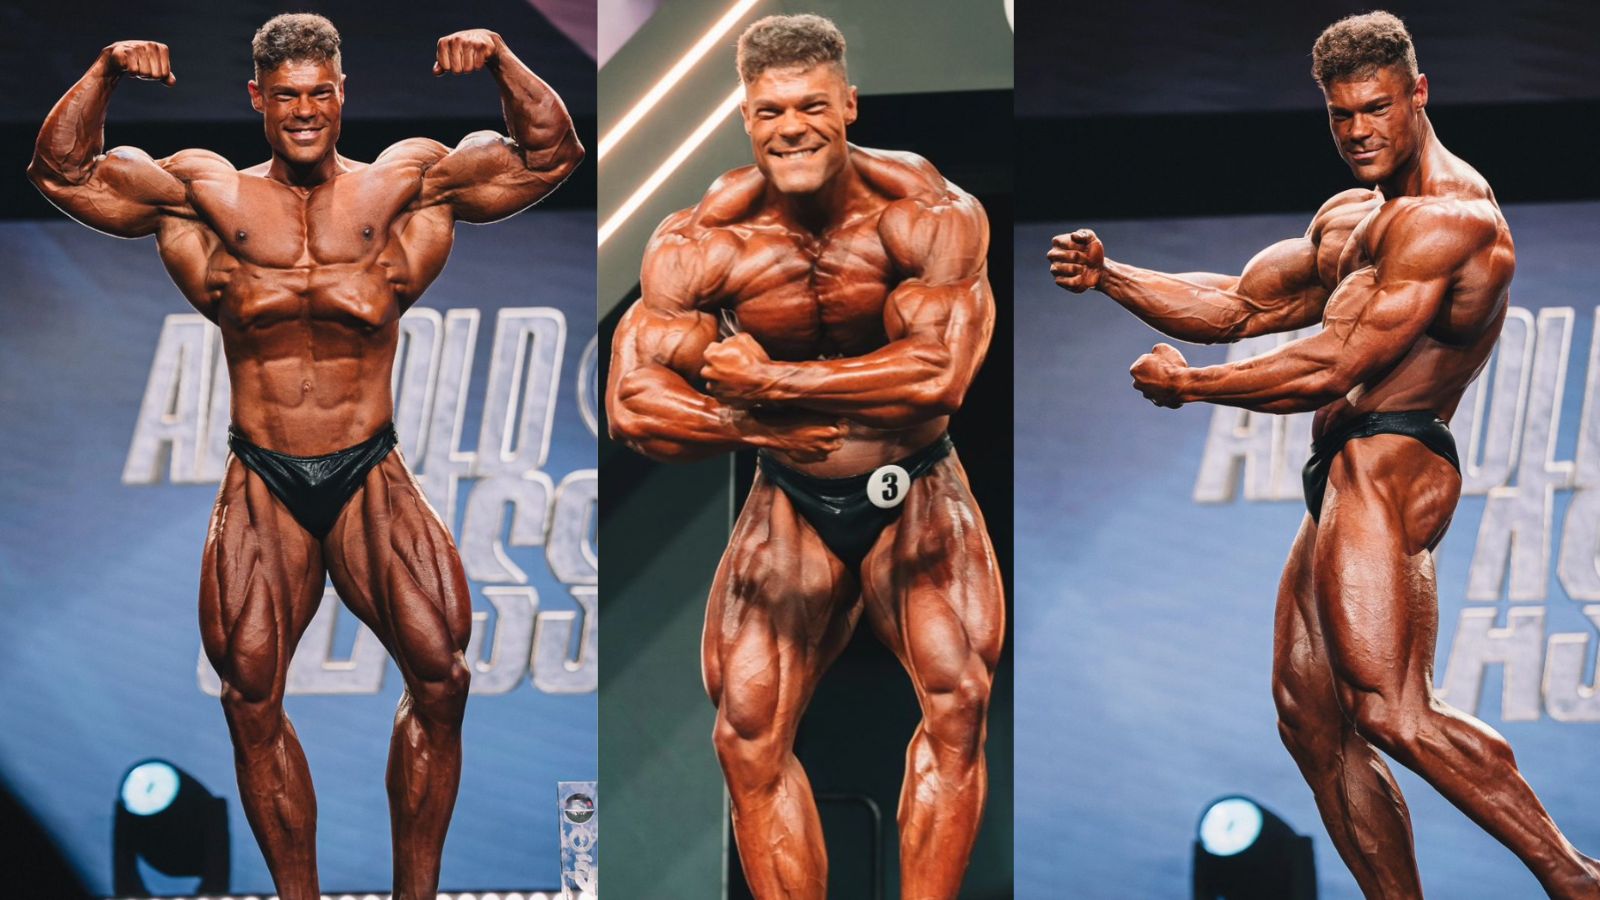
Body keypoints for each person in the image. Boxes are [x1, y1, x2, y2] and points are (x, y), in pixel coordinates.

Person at [27, 14, 581, 899]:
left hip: (368, 468)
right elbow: (61, 171)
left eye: (320, 92)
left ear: (342, 93)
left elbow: (550, 156)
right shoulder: (203, 194)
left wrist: (504, 61)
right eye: (286, 95)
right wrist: (103, 71)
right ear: (258, 98)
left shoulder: (406, 185)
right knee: (249, 697)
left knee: (442, 677)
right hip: (265, 476)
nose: (305, 110)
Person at [1050, 11, 1599, 897]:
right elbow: (1240, 306)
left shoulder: (1452, 220)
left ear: (1418, 94)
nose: (1358, 131)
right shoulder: (1351, 217)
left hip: (1396, 459)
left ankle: (1574, 878)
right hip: (1344, 470)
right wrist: (1113, 277)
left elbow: (1335, 366)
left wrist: (1194, 388)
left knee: (1391, 708)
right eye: (1342, 115)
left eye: (1376, 109)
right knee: (1310, 721)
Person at [607, 14, 1002, 899]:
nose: (791, 128)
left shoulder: (928, 214)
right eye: (770, 111)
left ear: (849, 104)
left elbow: (939, 377)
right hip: (792, 493)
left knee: (959, 701)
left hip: (917, 483)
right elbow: (632, 403)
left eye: (812, 106)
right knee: (745, 733)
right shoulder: (702, 239)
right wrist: (752, 429)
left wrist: (774, 384)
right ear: (745, 120)